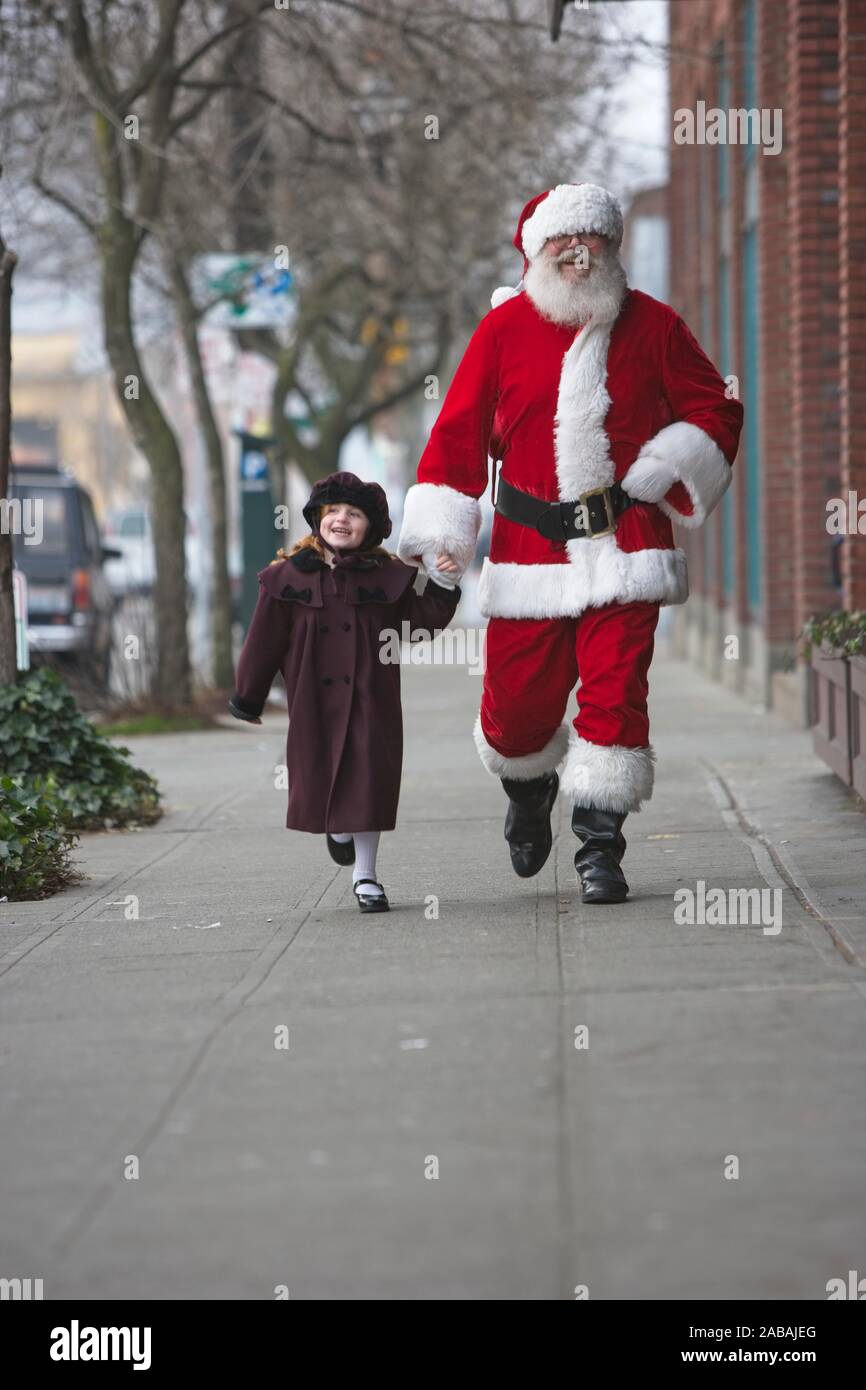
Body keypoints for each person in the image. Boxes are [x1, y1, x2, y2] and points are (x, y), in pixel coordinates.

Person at [396, 182, 743, 905]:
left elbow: (715, 407)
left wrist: (667, 463)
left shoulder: (655, 325)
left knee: (617, 695)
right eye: (563, 243)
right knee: (516, 713)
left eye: (592, 241)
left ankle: (600, 846)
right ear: (538, 252)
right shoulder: (503, 331)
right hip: (528, 551)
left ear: (613, 248)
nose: (578, 254)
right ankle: (528, 794)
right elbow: (459, 431)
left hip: (626, 546)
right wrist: (443, 533)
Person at [229, 471, 460, 913]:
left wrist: (442, 583)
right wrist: (249, 696)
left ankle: (366, 876)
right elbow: (263, 642)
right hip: (313, 703)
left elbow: (418, 623)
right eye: (333, 511)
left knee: (369, 782)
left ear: (370, 527)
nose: (341, 519)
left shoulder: (387, 577)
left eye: (353, 514)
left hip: (372, 700)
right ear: (317, 518)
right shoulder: (286, 578)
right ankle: (337, 831)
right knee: (321, 776)